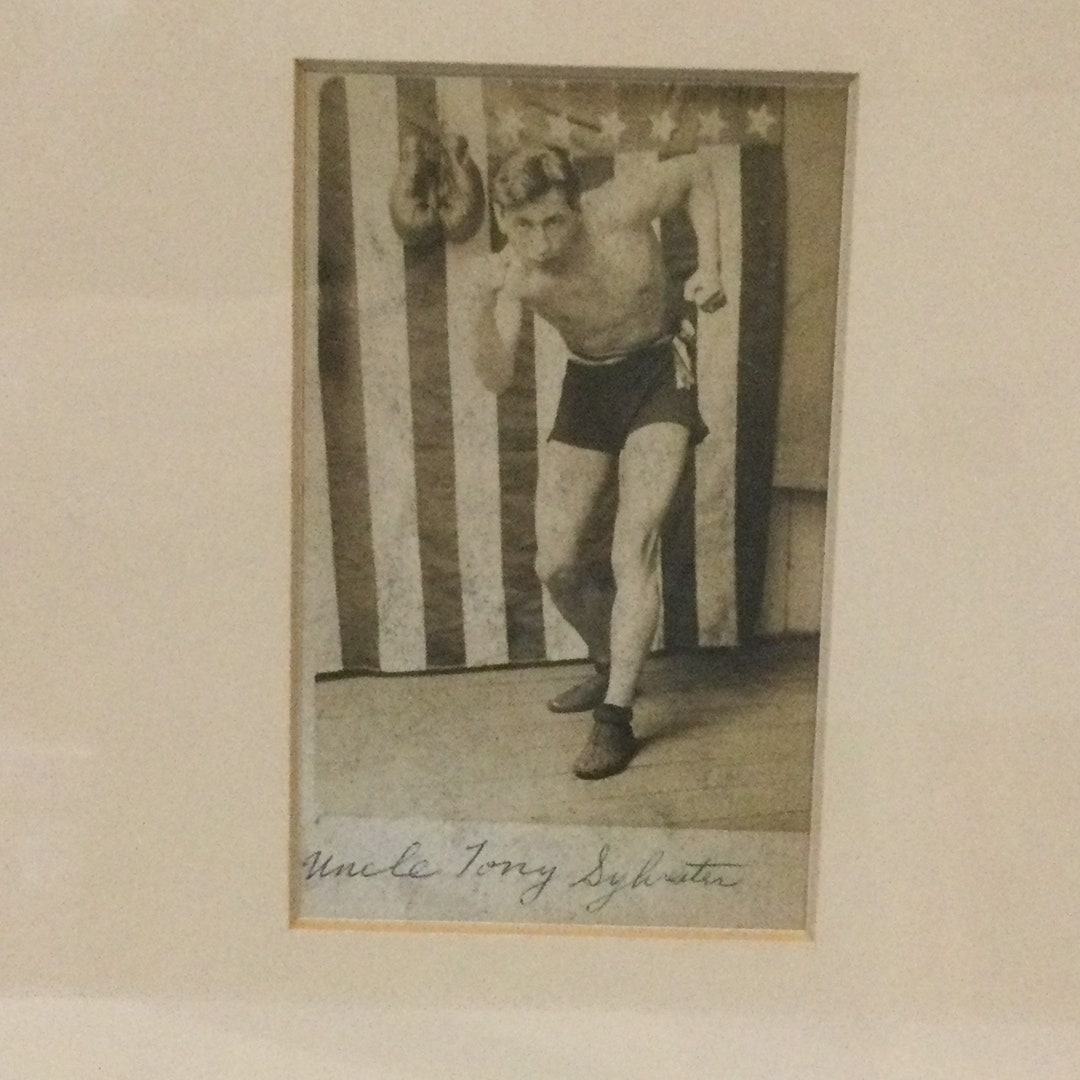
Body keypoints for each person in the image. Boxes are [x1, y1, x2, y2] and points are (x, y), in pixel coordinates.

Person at [469, 143, 725, 780]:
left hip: (660, 372)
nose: (542, 239)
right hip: (588, 388)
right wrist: (477, 304)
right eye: (523, 225)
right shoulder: (514, 275)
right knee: (555, 563)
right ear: (503, 218)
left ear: (577, 206)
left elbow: (696, 175)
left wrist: (711, 265)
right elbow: (498, 377)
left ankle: (614, 719)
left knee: (629, 548)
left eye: (555, 220)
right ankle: (612, 665)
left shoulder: (620, 207)